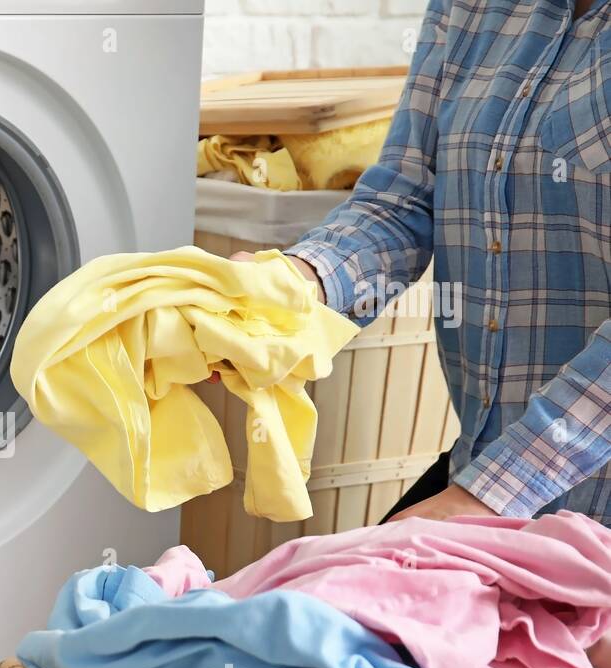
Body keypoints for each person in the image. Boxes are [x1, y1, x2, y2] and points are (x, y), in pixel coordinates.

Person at [237, 0, 611, 526]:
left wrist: (485, 498)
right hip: (483, 471)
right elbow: (405, 199)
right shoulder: (473, 8)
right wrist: (292, 285)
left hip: (559, 504)